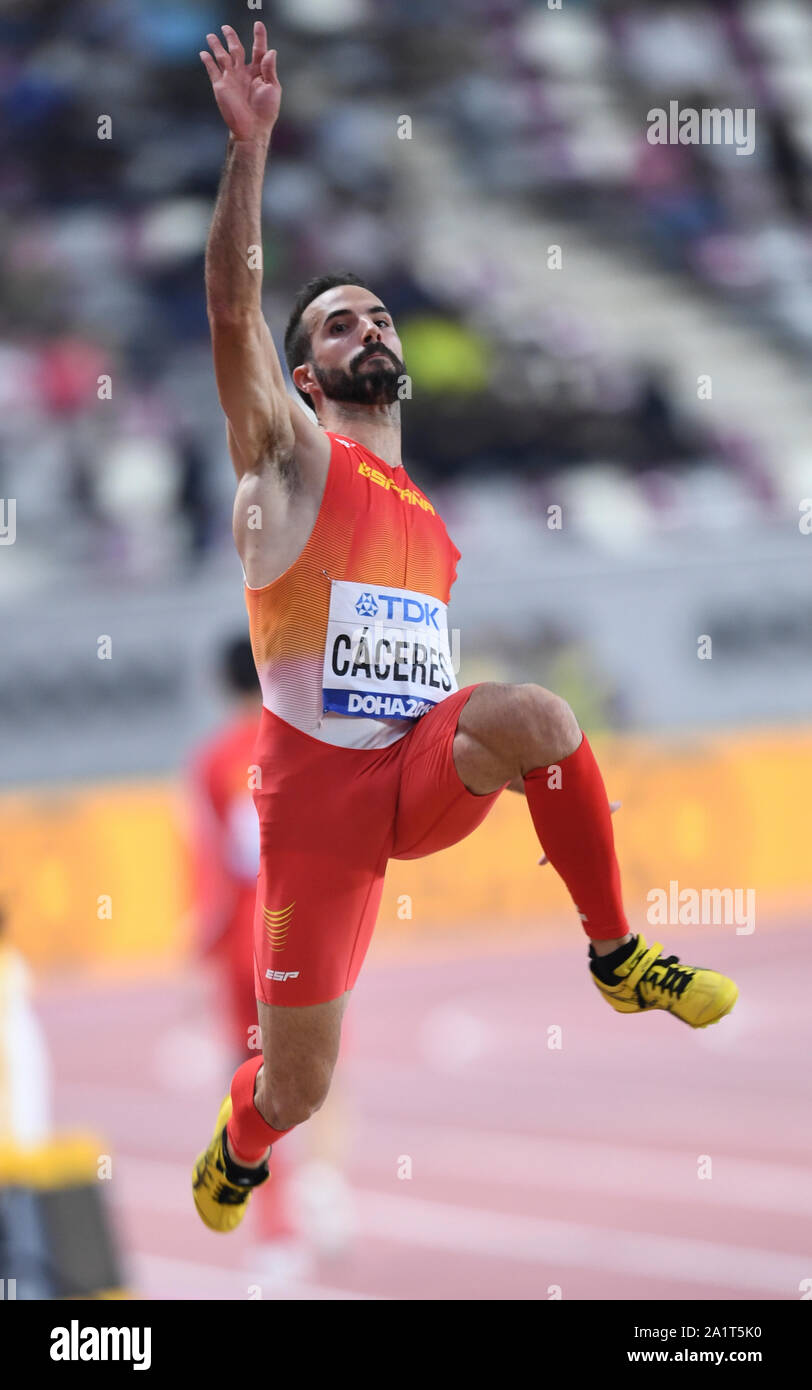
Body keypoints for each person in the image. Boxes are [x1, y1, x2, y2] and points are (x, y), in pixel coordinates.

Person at [193, 22, 738, 1233]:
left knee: (539, 715)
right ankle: (241, 1136)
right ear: (305, 377)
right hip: (321, 810)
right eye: (337, 324)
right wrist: (251, 153)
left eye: (375, 316)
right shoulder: (285, 461)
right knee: (298, 1083)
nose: (367, 329)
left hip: (420, 765)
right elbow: (232, 305)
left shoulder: (434, 525)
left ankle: (614, 955)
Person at [185, 637, 356, 1265]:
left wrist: (196, 954)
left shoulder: (209, 763)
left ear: (218, 686)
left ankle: (278, 1229)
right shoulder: (307, 742)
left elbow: (212, 866)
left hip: (243, 941)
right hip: (309, 930)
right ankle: (327, 1188)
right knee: (327, 1069)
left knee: (252, 1079)